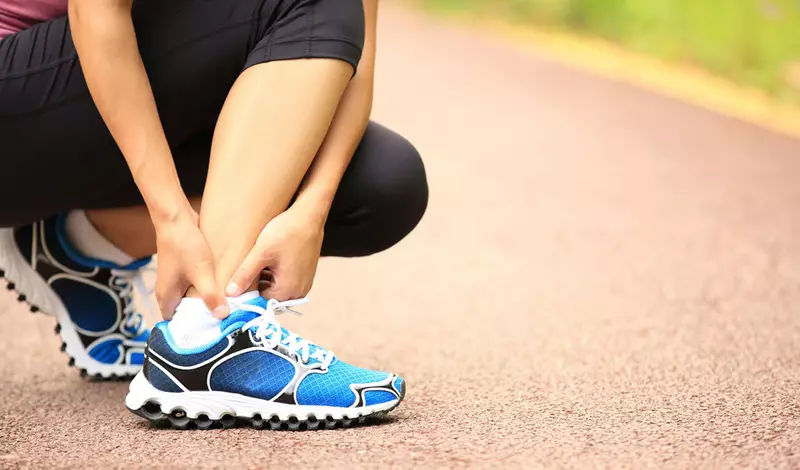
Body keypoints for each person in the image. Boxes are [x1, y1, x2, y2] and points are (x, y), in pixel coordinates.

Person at [0, 0, 427, 429]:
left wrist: (311, 209)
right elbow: (95, 12)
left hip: (92, 116)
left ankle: (80, 244)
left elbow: (357, 59)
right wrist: (170, 216)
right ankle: (205, 337)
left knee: (382, 183)